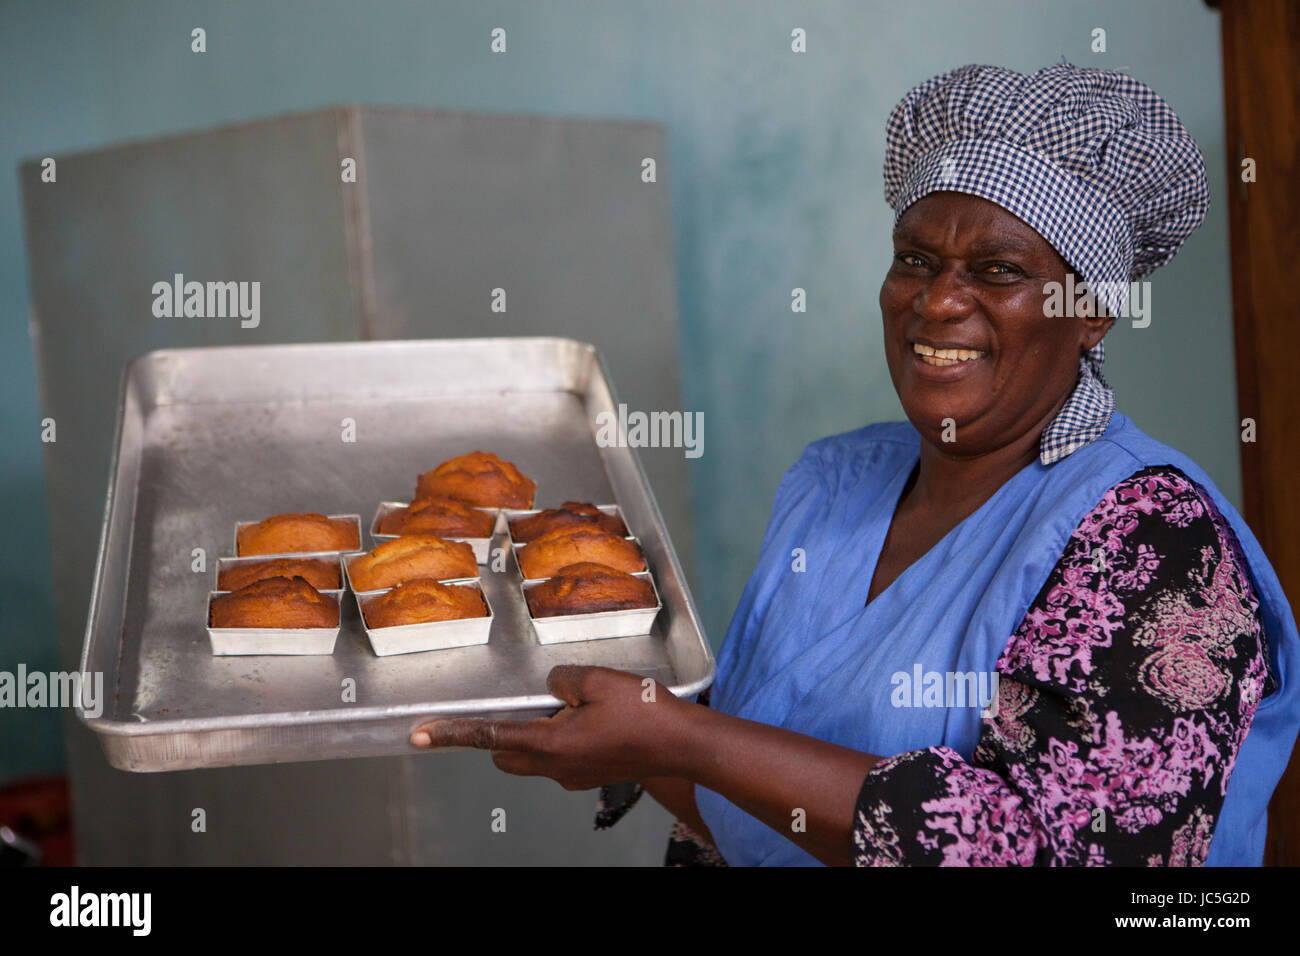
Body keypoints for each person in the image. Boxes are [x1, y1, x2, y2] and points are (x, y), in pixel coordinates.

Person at [409, 62, 1300, 866]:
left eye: (997, 270)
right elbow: (758, 810)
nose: (938, 300)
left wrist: (681, 740)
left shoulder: (1153, 541)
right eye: (916, 259)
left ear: (1092, 311)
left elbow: (1072, 856)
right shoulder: (835, 483)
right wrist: (620, 721)